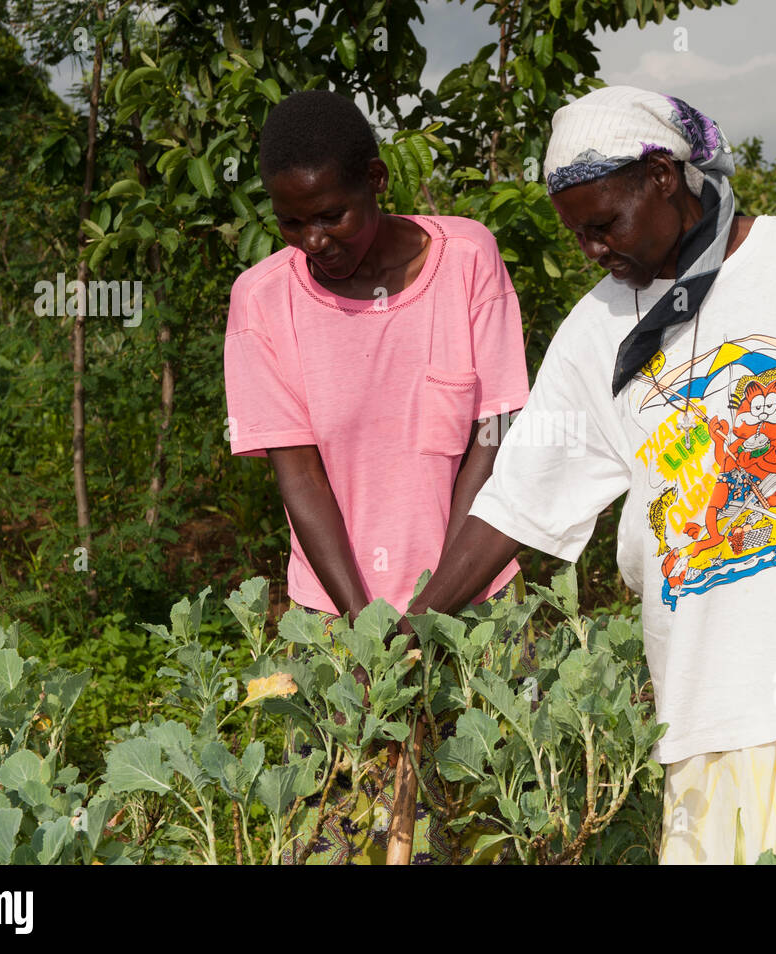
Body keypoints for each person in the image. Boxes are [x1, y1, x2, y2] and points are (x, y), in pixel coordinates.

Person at [407, 85, 776, 864]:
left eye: (605, 225)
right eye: (579, 236)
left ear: (663, 178)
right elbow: (518, 503)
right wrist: (415, 624)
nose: (594, 250)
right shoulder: (597, 330)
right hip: (708, 686)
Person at [222, 90, 533, 864]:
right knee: (333, 839)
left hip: (477, 604)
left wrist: (432, 609)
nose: (314, 240)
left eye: (332, 214)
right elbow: (299, 476)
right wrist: (368, 636)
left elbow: (493, 436)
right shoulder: (262, 302)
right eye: (292, 221)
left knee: (486, 829)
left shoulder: (467, 258)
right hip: (336, 623)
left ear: (376, 179)